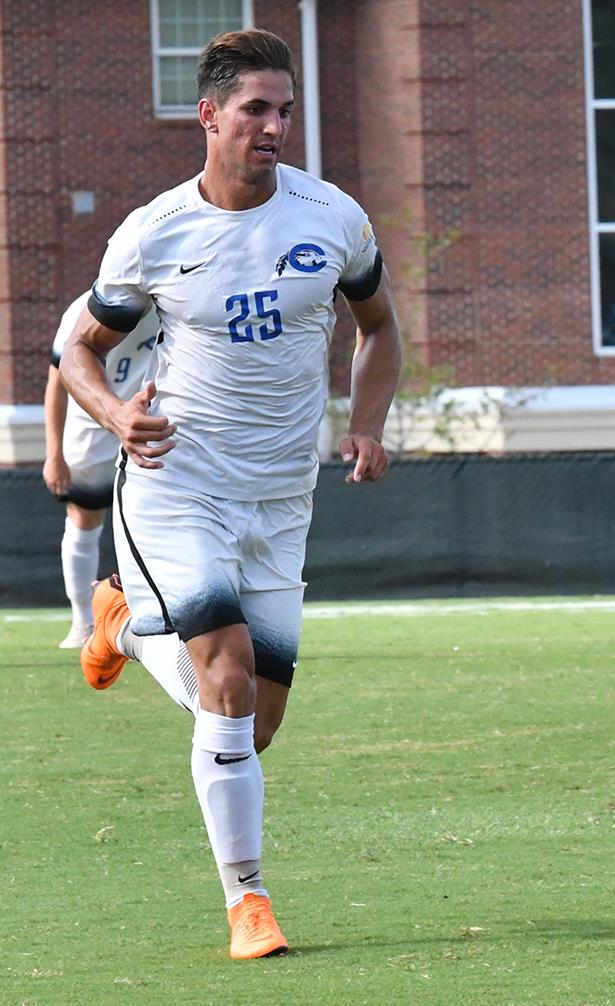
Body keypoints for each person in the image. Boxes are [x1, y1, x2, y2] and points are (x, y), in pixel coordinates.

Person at [61, 28, 400, 957]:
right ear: (208, 116)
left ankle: (128, 628)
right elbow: (77, 350)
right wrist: (117, 418)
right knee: (229, 673)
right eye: (256, 109)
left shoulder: (332, 219)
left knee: (257, 721)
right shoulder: (157, 231)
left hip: (283, 494)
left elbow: (379, 331)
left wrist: (367, 422)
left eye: (285, 110)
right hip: (180, 482)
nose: (275, 126)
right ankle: (246, 901)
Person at [43, 293, 160, 648]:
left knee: (159, 519)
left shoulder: (168, 297)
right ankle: (83, 622)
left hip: (147, 420)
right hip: (90, 426)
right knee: (84, 519)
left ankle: (158, 617)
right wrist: (54, 454)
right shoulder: (80, 310)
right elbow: (57, 384)